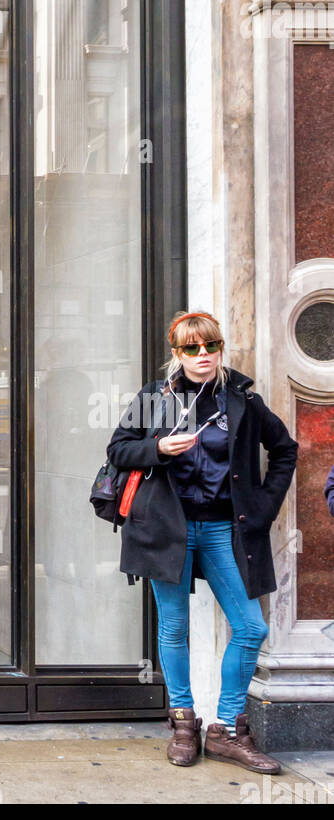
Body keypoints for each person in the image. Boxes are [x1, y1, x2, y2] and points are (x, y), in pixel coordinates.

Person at [107, 310, 298, 774]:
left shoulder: (240, 400)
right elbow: (117, 449)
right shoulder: (158, 397)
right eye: (192, 349)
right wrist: (157, 449)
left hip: (222, 529)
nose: (203, 356)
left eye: (210, 346)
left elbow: (284, 449)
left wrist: (264, 507)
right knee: (174, 628)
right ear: (177, 353)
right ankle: (183, 721)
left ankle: (227, 729)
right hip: (166, 527)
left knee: (251, 627)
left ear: (219, 348)